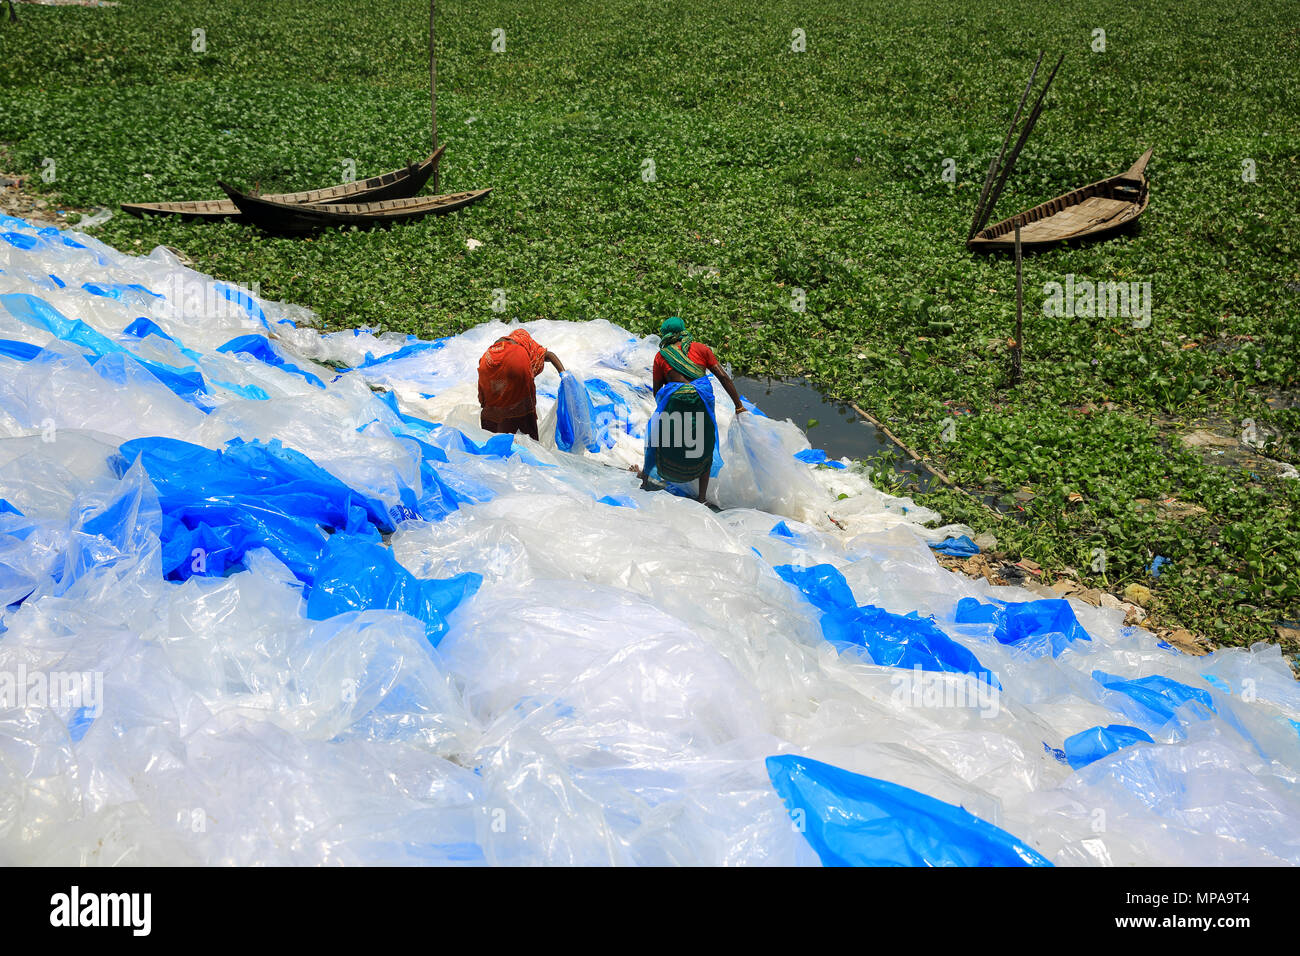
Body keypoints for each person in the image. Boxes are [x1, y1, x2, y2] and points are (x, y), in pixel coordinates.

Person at [640, 316, 745, 503]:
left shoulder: (662, 355)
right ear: (683, 330)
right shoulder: (702, 349)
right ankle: (702, 497)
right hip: (701, 401)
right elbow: (723, 376)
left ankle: (645, 480)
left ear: (665, 334)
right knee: (704, 442)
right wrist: (738, 405)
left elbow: (657, 391)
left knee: (658, 436)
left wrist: (665, 409)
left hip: (676, 401)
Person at [477, 328, 564, 441]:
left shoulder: (501, 343)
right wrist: (564, 374)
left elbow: (502, 373)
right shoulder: (526, 343)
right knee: (523, 403)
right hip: (515, 356)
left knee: (496, 402)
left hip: (488, 361)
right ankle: (532, 443)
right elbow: (549, 355)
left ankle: (493, 440)